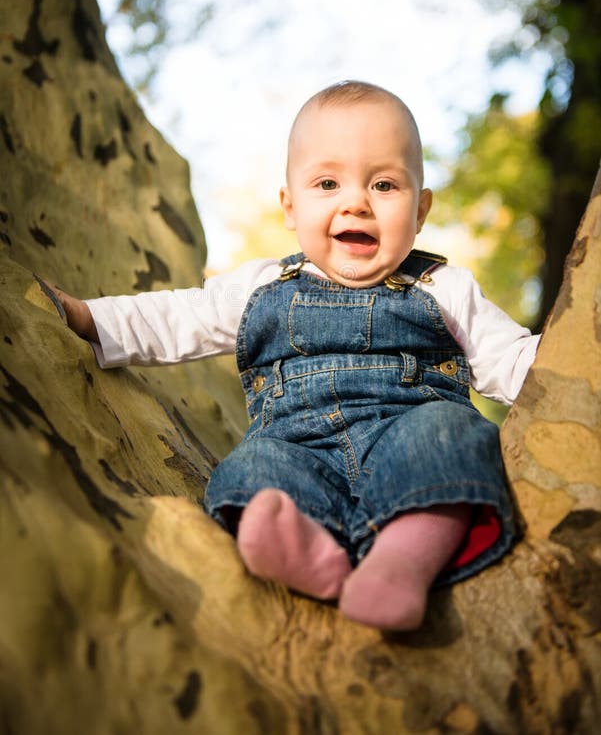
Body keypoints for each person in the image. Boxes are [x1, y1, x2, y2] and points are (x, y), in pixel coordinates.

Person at [51, 80, 539, 631]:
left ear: (421, 209)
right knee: (253, 470)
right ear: (290, 205)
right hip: (297, 447)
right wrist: (90, 318)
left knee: (449, 436)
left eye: (383, 184)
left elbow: (513, 361)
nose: (355, 201)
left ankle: (401, 564)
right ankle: (310, 556)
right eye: (327, 183)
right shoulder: (262, 284)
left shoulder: (443, 286)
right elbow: (179, 316)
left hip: (411, 433)